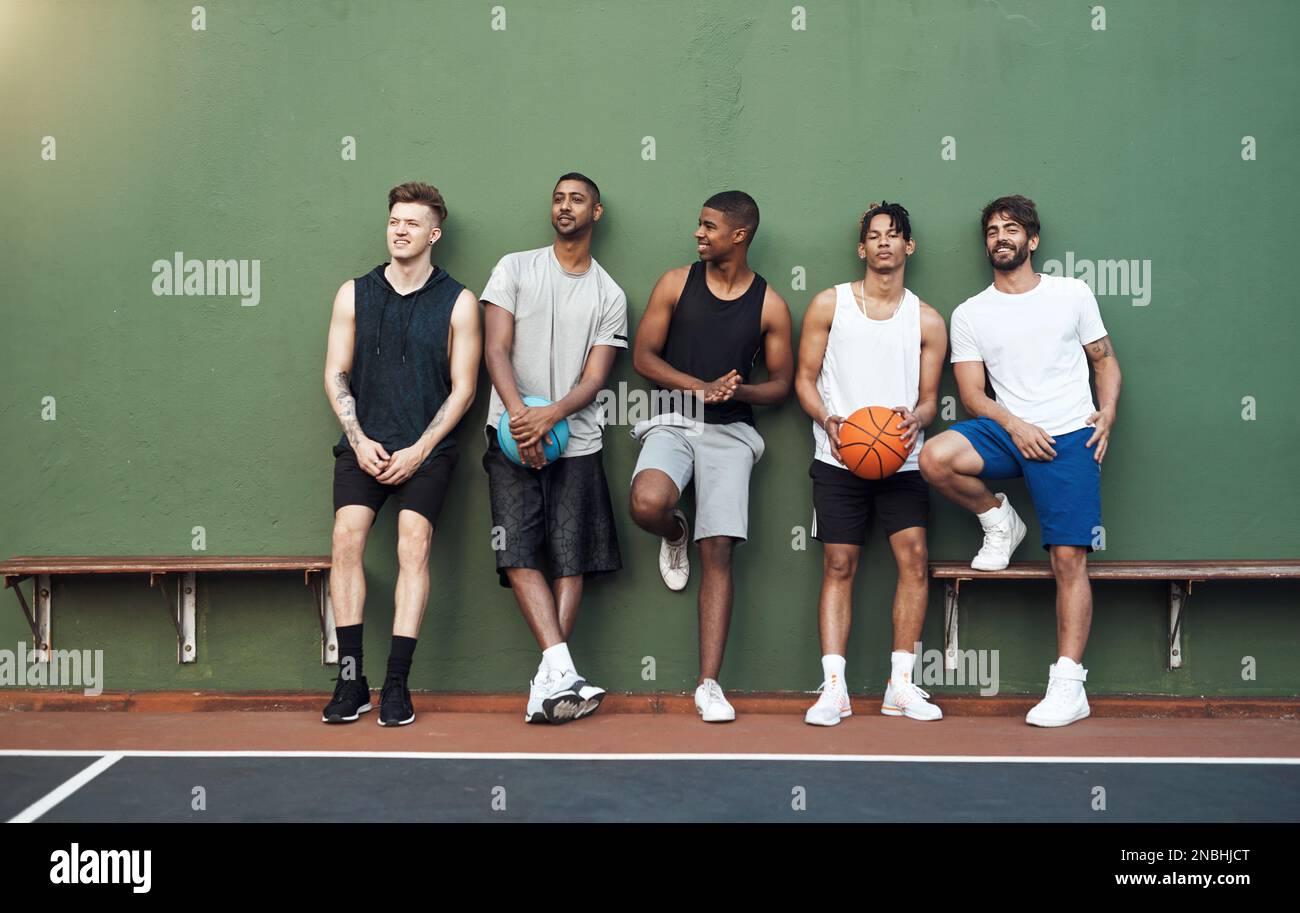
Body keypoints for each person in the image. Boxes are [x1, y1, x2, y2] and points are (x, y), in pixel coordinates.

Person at [919, 195, 1122, 727]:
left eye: (1011, 229)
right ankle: (999, 521)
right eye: (992, 230)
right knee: (934, 457)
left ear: (1032, 241)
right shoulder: (970, 312)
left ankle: (1068, 685)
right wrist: (1016, 425)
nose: (1000, 237)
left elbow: (1105, 361)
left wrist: (1108, 414)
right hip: (1009, 431)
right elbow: (972, 395)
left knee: (1069, 561)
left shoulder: (1071, 293)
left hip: (1068, 437)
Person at [629, 190, 793, 723]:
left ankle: (708, 685)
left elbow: (783, 385)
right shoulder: (676, 283)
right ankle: (675, 533)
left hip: (731, 432)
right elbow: (644, 358)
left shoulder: (770, 304)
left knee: (718, 547)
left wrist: (735, 393)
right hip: (672, 419)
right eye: (699, 225)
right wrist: (699, 387)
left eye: (709, 226)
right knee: (648, 503)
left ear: (739, 236)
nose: (699, 234)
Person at [322, 181, 481, 726]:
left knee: (413, 546)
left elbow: (464, 388)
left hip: (427, 450)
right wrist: (359, 437)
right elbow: (336, 372)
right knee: (346, 539)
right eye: (394, 220)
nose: (400, 229)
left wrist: (420, 450)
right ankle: (351, 683)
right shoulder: (354, 293)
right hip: (365, 444)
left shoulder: (460, 302)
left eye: (412, 223)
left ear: (433, 233)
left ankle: (395, 685)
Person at [480, 173, 628, 724]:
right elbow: (496, 349)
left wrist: (551, 416)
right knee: (516, 549)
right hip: (509, 434)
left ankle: (551, 680)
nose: (565, 207)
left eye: (578, 200)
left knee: (572, 558)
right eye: (558, 198)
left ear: (597, 212)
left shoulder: (609, 295)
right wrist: (522, 419)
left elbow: (594, 381)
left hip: (578, 441)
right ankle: (562, 674)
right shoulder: (514, 267)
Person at [794, 201, 948, 726]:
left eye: (894, 235)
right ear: (862, 248)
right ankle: (833, 688)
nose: (884, 243)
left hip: (901, 457)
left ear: (909, 247)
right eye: (875, 236)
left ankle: (900, 686)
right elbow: (804, 380)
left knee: (914, 558)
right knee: (839, 564)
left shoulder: (926, 319)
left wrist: (916, 419)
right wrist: (829, 421)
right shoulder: (828, 305)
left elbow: (930, 399)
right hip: (840, 455)